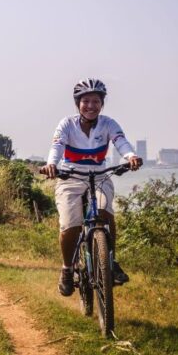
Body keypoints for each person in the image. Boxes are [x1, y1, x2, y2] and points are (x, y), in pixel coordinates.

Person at [39, 78, 142, 297]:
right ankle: (68, 270)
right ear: (78, 103)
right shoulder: (66, 124)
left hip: (100, 176)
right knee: (70, 225)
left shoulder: (108, 123)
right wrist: (51, 164)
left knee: (105, 212)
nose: (91, 106)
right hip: (70, 177)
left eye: (96, 101)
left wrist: (131, 156)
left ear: (102, 104)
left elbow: (120, 141)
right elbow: (57, 145)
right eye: (86, 101)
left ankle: (110, 261)